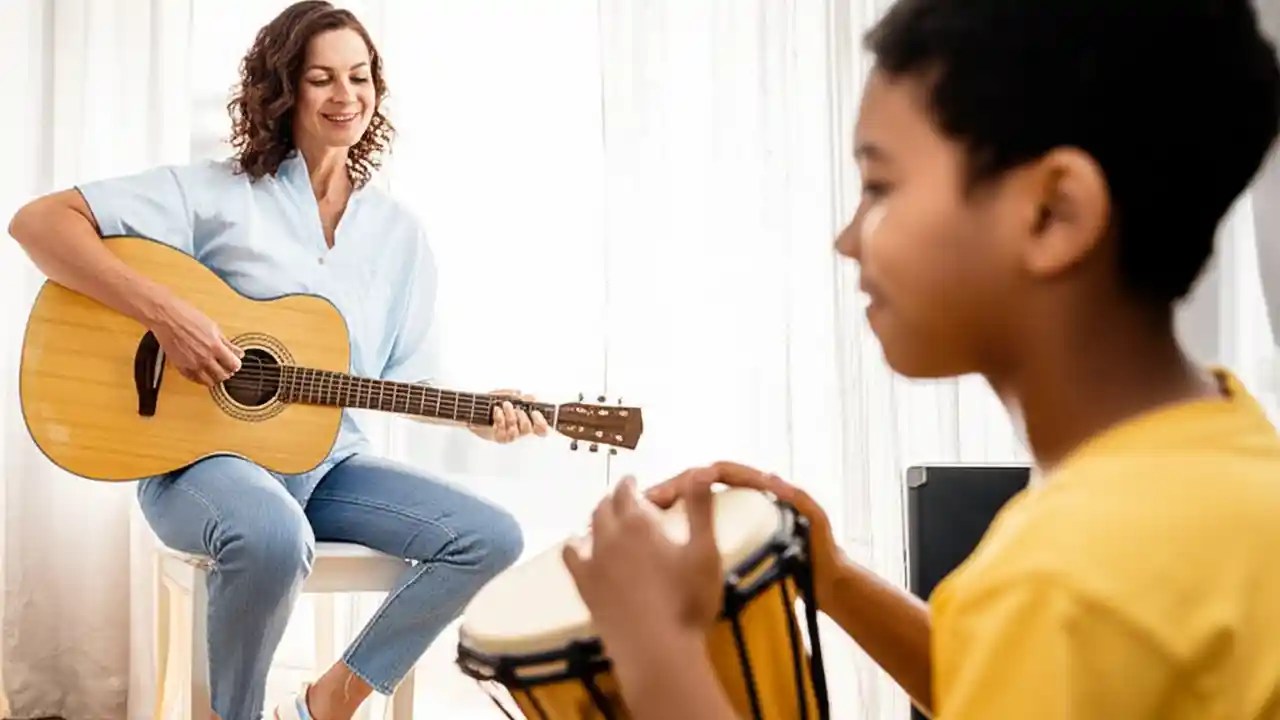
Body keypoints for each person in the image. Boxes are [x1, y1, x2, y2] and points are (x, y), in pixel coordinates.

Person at [562, 0, 1280, 718]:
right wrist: (833, 577)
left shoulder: (1062, 581)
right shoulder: (1227, 458)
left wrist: (657, 653)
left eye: (880, 186)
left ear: (1054, 213)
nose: (848, 239)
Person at [8, 2, 548, 719]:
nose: (345, 95)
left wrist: (480, 416)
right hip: (201, 467)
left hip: (329, 466)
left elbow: (401, 380)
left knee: (490, 535)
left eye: (360, 77)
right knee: (269, 531)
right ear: (284, 90)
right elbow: (39, 222)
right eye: (321, 77)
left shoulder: (398, 234)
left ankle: (330, 700)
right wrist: (165, 315)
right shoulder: (217, 192)